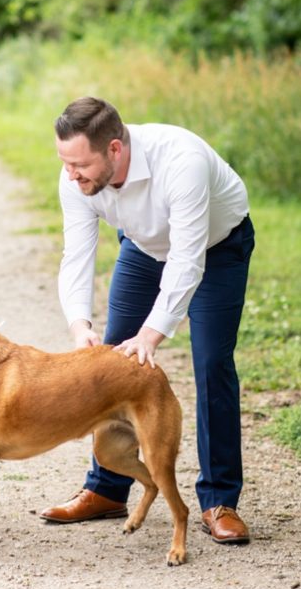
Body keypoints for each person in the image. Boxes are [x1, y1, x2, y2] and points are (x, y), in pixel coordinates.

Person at [40, 97, 254, 543]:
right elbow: (77, 255)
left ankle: (219, 500)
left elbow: (188, 258)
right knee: (113, 360)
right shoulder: (75, 178)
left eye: (80, 164)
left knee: (212, 361)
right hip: (143, 247)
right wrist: (80, 325)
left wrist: (152, 335)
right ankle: (107, 488)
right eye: (65, 163)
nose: (71, 174)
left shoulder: (182, 161)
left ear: (115, 149)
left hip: (216, 249)